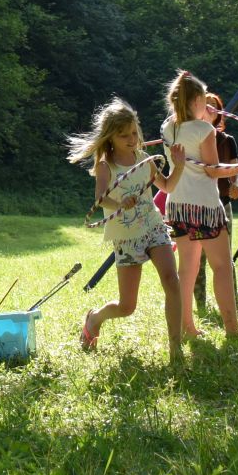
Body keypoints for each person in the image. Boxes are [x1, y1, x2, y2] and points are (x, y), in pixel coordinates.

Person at [160, 71, 238, 339]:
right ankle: (232, 329)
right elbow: (212, 170)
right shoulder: (204, 130)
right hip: (205, 208)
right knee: (222, 266)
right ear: (197, 99)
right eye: (203, 100)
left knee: (187, 269)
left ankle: (188, 328)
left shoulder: (167, 128)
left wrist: (187, 86)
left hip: (179, 207)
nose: (208, 107)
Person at [71, 99, 183, 362]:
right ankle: (95, 318)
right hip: (126, 236)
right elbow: (100, 199)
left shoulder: (145, 160)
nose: (132, 139)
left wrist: (179, 166)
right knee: (127, 306)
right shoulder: (105, 166)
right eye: (124, 136)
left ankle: (176, 350)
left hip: (153, 227)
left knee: (171, 280)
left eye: (134, 133)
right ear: (111, 136)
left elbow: (167, 187)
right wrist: (119, 202)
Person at [191, 90, 238, 308]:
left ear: (218, 113)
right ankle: (200, 306)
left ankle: (232, 305)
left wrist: (236, 184)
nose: (209, 108)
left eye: (214, 106)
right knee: (196, 259)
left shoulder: (227, 141)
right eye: (205, 104)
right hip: (195, 204)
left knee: (224, 259)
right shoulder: (190, 138)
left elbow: (235, 168)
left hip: (222, 202)